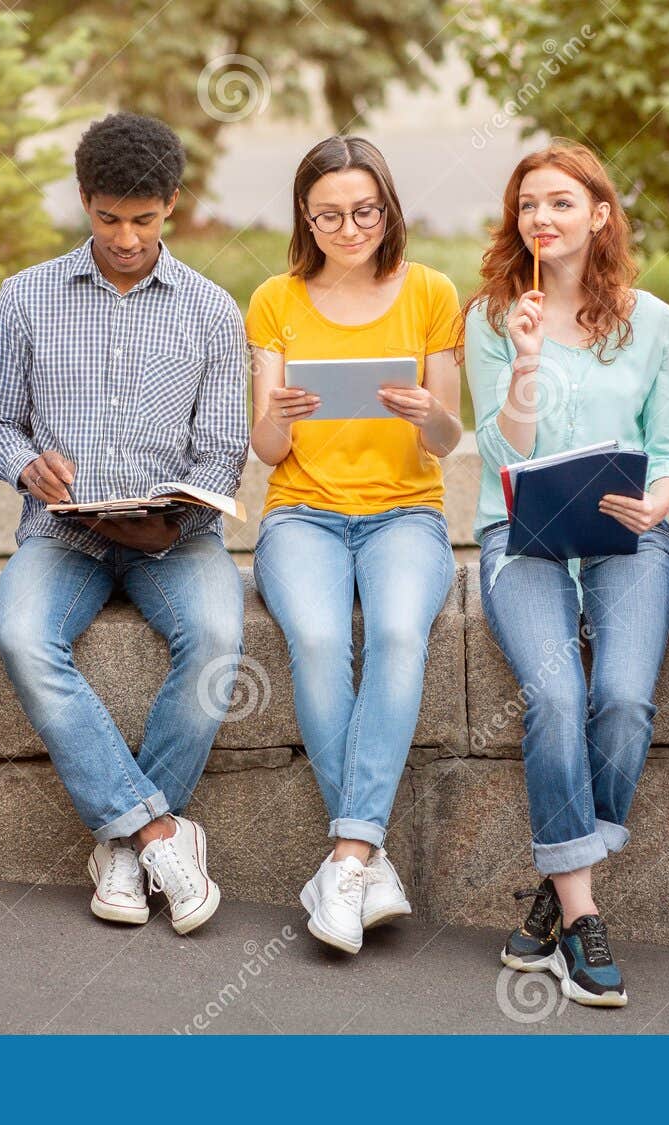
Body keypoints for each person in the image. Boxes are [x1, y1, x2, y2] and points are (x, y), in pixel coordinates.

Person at [0, 113, 248, 936]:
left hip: (176, 540)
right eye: (109, 219)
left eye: (144, 219)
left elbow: (222, 452)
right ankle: (156, 832)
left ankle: (125, 848)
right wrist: (26, 465)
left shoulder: (212, 310)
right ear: (83, 200)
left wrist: (178, 517)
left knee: (217, 639)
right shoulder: (26, 297)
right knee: (22, 634)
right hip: (64, 534)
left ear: (172, 204)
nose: (126, 238)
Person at [465, 140, 669, 1007]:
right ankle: (585, 914)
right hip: (520, 534)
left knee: (623, 698)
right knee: (556, 696)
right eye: (528, 205)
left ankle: (554, 893)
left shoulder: (652, 320)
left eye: (561, 202)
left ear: (599, 215)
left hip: (625, 532)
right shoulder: (494, 316)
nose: (541, 219)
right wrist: (525, 359)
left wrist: (657, 503)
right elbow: (502, 451)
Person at [247, 136, 462, 954]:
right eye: (329, 215)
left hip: (405, 511)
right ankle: (365, 857)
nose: (349, 229)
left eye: (364, 212)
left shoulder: (431, 292)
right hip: (302, 512)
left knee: (399, 633)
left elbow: (447, 440)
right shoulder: (275, 300)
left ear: (389, 209)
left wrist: (427, 413)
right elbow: (266, 450)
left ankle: (345, 856)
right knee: (317, 639)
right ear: (306, 218)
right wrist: (279, 416)